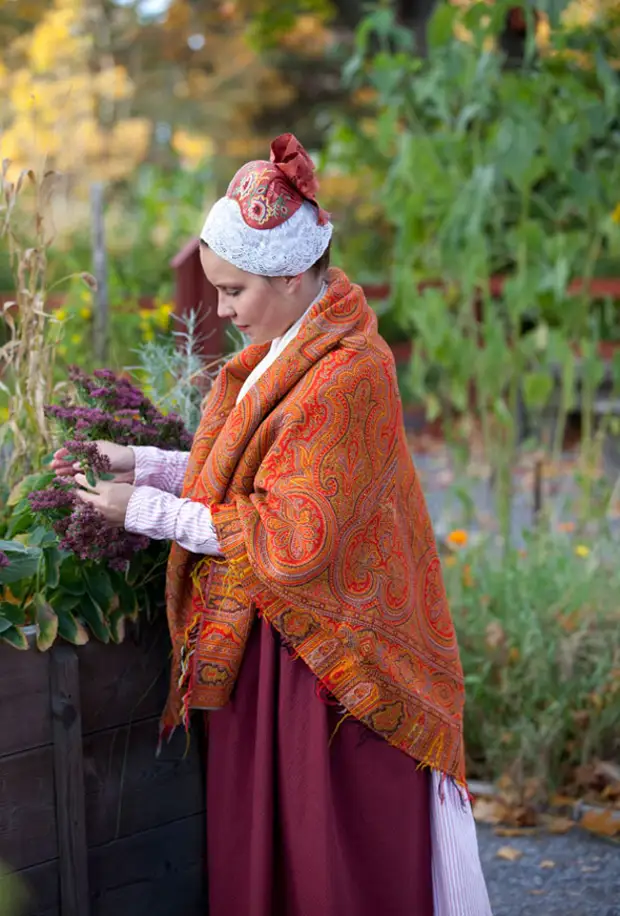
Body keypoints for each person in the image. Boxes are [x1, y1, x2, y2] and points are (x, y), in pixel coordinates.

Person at [53, 134, 492, 916]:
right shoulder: (289, 347)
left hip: (334, 666)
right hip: (279, 647)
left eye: (233, 292)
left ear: (291, 277)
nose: (220, 310)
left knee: (332, 855)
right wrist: (140, 463)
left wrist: (150, 513)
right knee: (276, 852)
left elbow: (293, 539)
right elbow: (243, 471)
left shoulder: (349, 372)